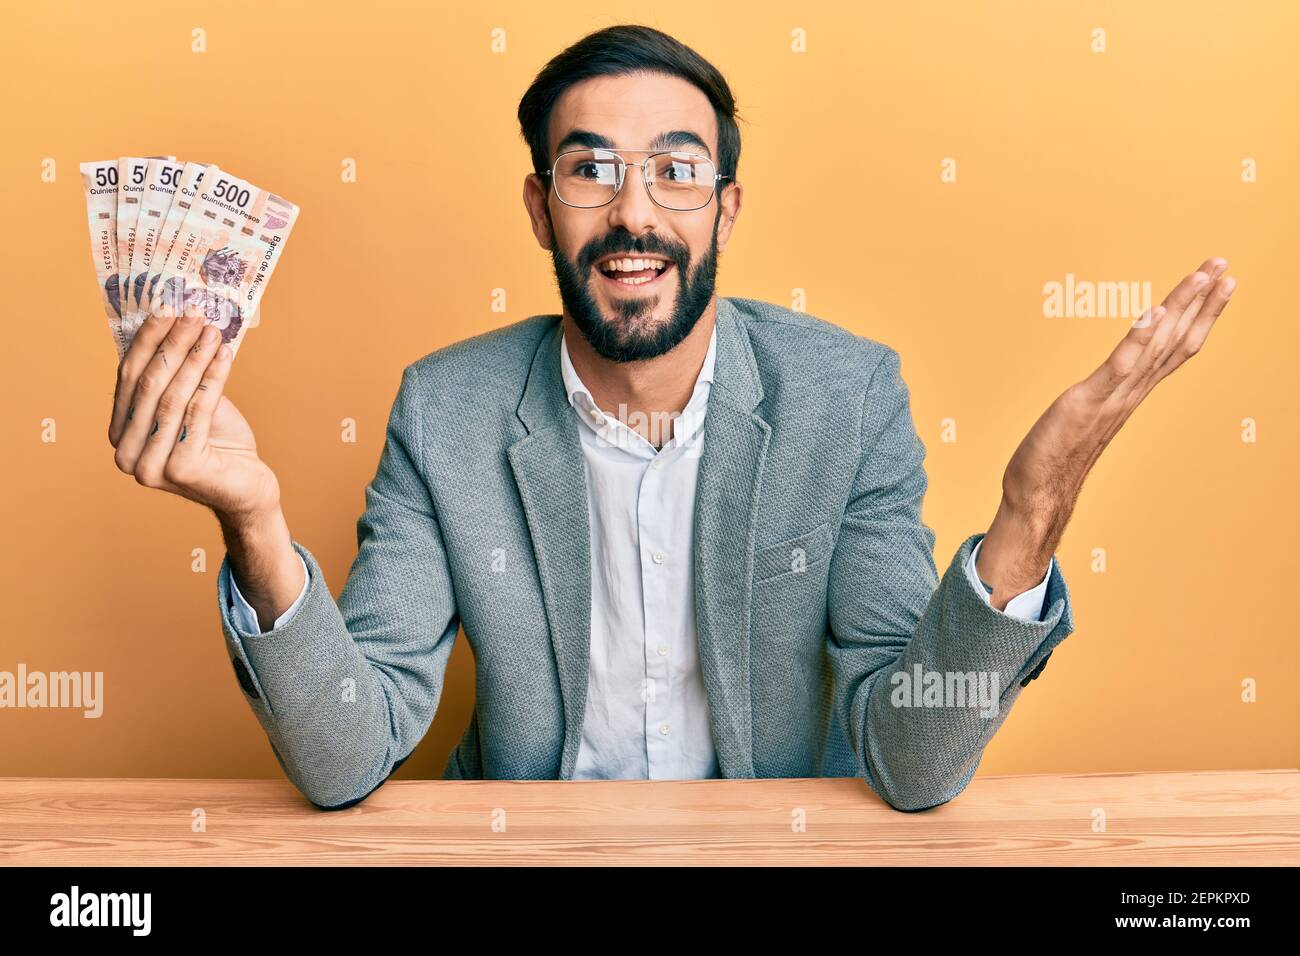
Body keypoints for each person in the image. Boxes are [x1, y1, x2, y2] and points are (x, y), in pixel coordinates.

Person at [107, 24, 1236, 810]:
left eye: (675, 171)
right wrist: (254, 523)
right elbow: (346, 756)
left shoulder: (845, 398)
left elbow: (911, 757)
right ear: (541, 210)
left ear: (725, 208)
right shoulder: (444, 409)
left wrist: (1030, 513)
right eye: (588, 169)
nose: (633, 210)